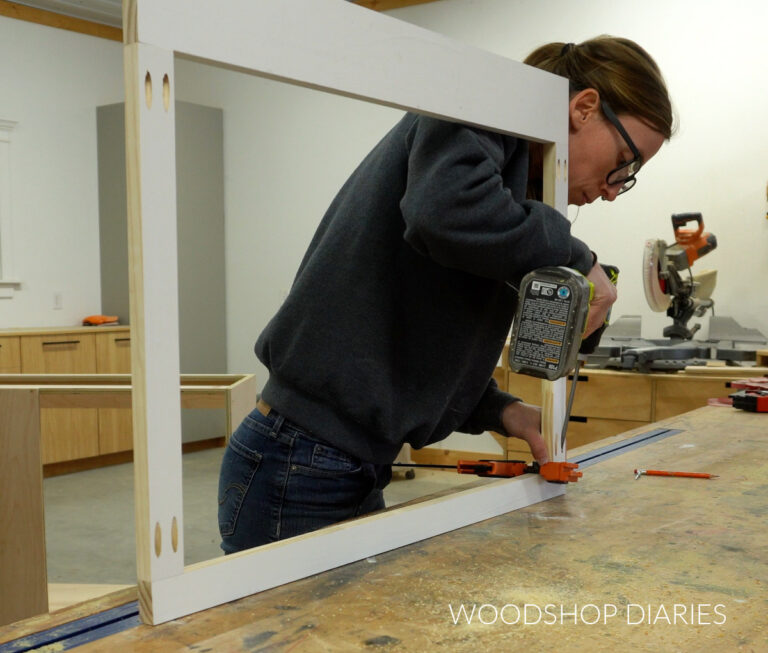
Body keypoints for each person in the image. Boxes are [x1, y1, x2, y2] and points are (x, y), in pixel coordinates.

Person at [218, 35, 674, 553]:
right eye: (624, 161)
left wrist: (503, 411)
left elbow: (421, 342)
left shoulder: (507, 194)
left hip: (339, 462)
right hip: (301, 461)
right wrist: (578, 257)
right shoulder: (480, 101)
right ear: (584, 107)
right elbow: (442, 213)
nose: (614, 189)